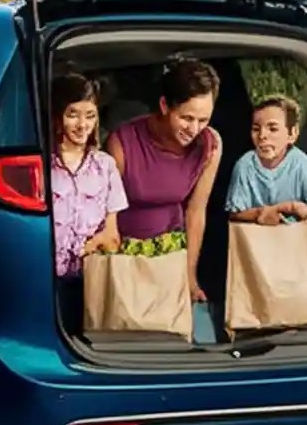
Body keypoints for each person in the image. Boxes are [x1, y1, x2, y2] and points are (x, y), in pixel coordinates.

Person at [107, 57, 223, 303]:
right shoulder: (122, 143)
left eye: (203, 120)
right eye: (186, 118)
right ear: (164, 105)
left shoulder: (209, 145)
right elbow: (107, 217)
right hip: (126, 259)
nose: (194, 129)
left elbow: (196, 211)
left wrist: (189, 277)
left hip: (172, 256)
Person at [50, 73, 128, 329]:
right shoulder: (40, 166)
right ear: (57, 116)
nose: (82, 124)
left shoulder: (105, 166)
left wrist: (93, 245)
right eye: (73, 114)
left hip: (89, 282)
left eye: (90, 115)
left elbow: (112, 234)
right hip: (45, 280)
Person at [226, 94, 307, 225]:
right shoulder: (245, 165)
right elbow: (234, 213)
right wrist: (266, 212)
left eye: (273, 129)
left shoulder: (301, 164)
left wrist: (301, 213)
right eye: (256, 129)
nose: (262, 136)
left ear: (292, 134)